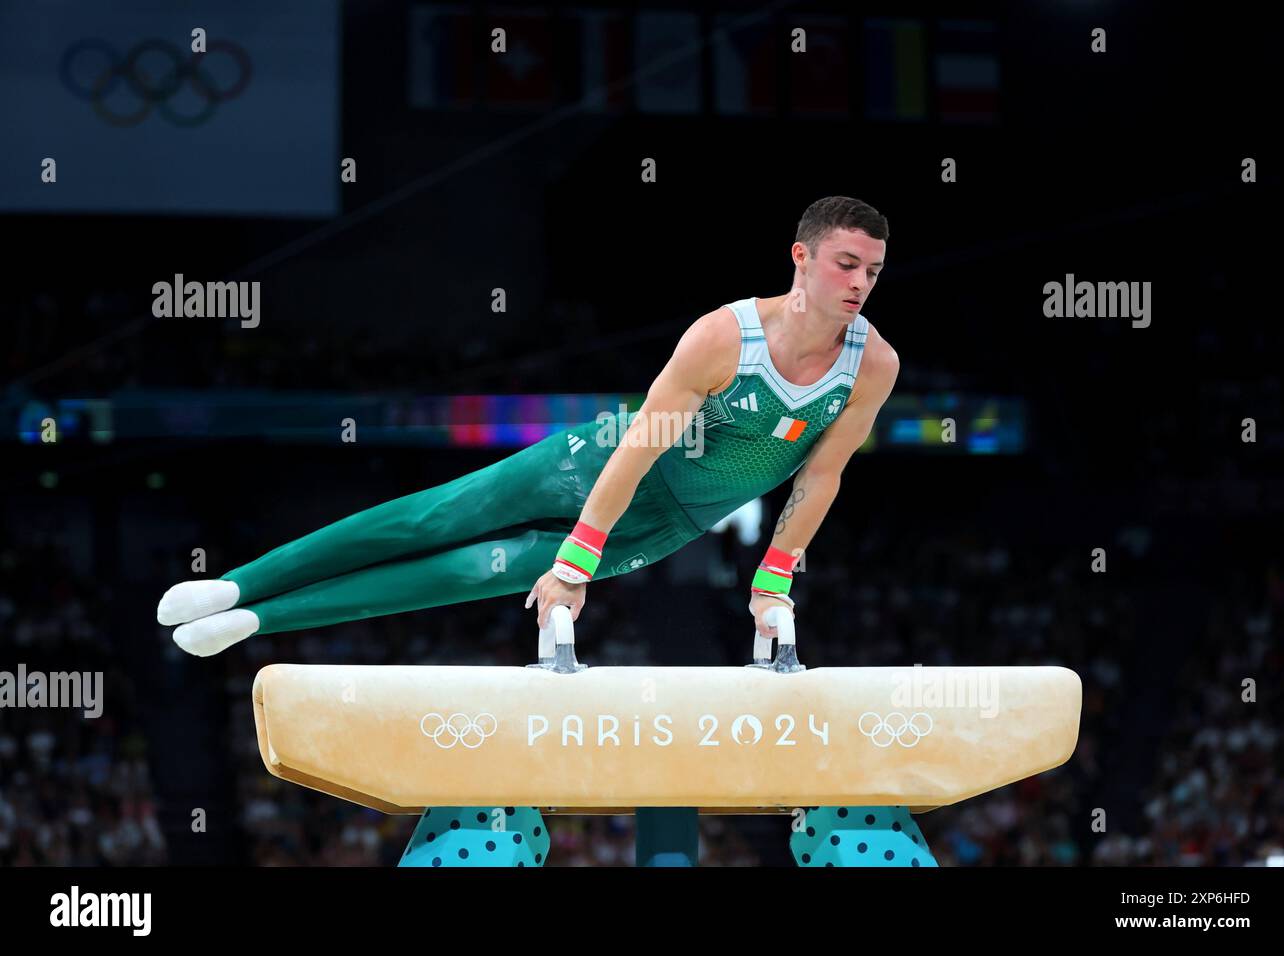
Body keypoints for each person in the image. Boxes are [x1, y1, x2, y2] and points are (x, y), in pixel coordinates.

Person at [158, 195, 935, 866]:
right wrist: (575, 559)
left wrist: (772, 583)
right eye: (845, 263)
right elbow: (643, 445)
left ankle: (253, 621)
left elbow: (821, 475)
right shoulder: (725, 338)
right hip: (596, 466)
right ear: (801, 257)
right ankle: (240, 581)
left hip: (669, 523)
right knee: (433, 519)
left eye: (872, 269)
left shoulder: (873, 367)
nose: (860, 283)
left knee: (456, 577)